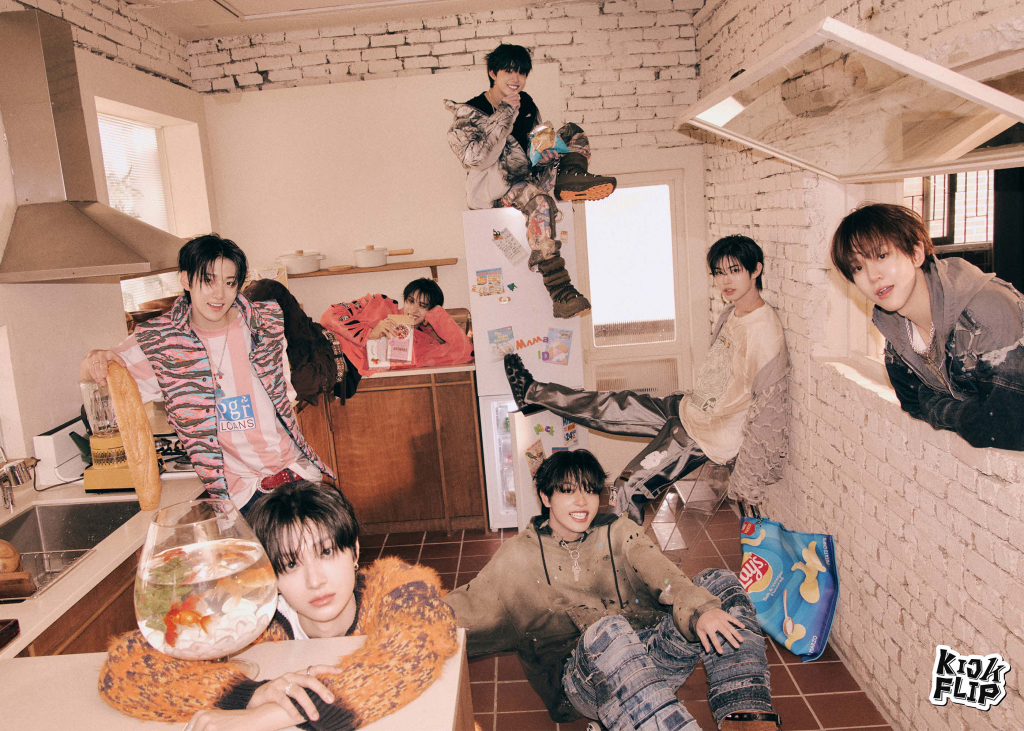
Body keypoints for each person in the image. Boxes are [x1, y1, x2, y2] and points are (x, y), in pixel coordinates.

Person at [444, 450, 781, 731]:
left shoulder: (618, 531)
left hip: (648, 656)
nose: (582, 502)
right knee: (609, 630)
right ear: (546, 497)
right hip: (582, 683)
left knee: (719, 583)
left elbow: (662, 574)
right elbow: (468, 606)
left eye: (590, 491)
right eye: (567, 491)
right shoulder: (519, 556)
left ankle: (746, 719)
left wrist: (700, 608)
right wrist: (419, 614)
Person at [99, 481, 458, 731]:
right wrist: (251, 694)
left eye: (326, 552)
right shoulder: (254, 619)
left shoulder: (398, 587)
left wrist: (266, 716)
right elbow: (126, 668)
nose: (315, 580)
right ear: (269, 574)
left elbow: (410, 655)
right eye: (290, 564)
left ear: (355, 551)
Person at [504, 235, 790, 521]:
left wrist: (748, 480)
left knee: (625, 488)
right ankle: (532, 393)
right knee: (607, 405)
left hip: (706, 436)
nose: (725, 280)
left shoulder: (764, 332)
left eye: (735, 270)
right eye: (719, 272)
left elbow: (768, 414)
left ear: (756, 269)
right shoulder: (733, 313)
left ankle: (612, 549)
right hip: (689, 409)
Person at [80, 235, 334, 513]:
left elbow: (285, 397)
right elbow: (99, 376)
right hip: (239, 495)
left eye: (230, 283)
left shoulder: (263, 325)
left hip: (295, 473)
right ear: (186, 280)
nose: (219, 294)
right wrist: (94, 359)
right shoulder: (162, 341)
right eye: (208, 280)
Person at [831, 202, 1024, 450]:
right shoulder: (896, 325)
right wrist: (967, 412)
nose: (872, 276)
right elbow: (911, 401)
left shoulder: (985, 312)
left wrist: (934, 403)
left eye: (881, 256)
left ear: (916, 254)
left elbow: (1004, 428)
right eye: (858, 267)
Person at [445, 43, 617, 319]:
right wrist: (505, 113)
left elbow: (531, 146)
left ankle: (569, 178)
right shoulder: (470, 113)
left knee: (572, 132)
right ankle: (560, 291)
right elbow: (477, 159)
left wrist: (545, 151)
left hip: (529, 175)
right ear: (493, 73)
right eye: (509, 71)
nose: (516, 79)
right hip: (499, 189)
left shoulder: (527, 103)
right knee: (540, 202)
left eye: (522, 72)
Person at [320, 277, 474, 376]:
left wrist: (437, 315)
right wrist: (368, 334)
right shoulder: (379, 302)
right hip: (325, 347)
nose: (413, 310)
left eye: (423, 306)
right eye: (410, 301)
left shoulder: (426, 344)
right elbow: (331, 314)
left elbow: (465, 352)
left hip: (337, 370)